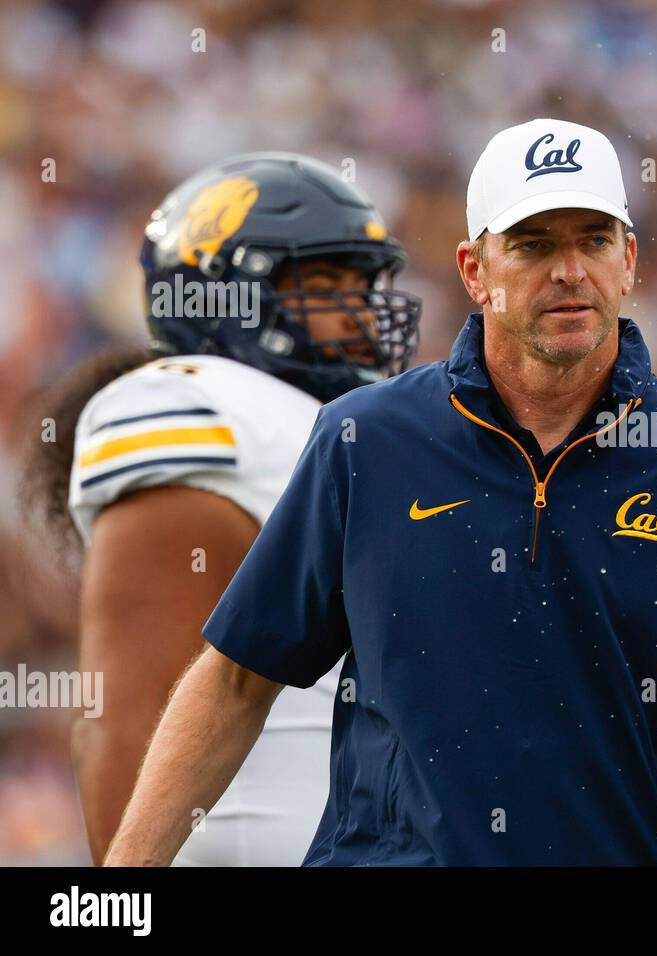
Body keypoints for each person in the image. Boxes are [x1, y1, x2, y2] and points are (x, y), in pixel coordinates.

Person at [101, 119, 657, 866]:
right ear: (473, 269)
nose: (569, 270)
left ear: (629, 261)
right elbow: (233, 681)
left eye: (593, 239)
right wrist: (119, 886)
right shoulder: (367, 440)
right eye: (533, 244)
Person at [21, 152, 421, 865]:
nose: (362, 313)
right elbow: (124, 717)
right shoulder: (195, 407)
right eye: (326, 284)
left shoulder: (344, 429)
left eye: (365, 286)